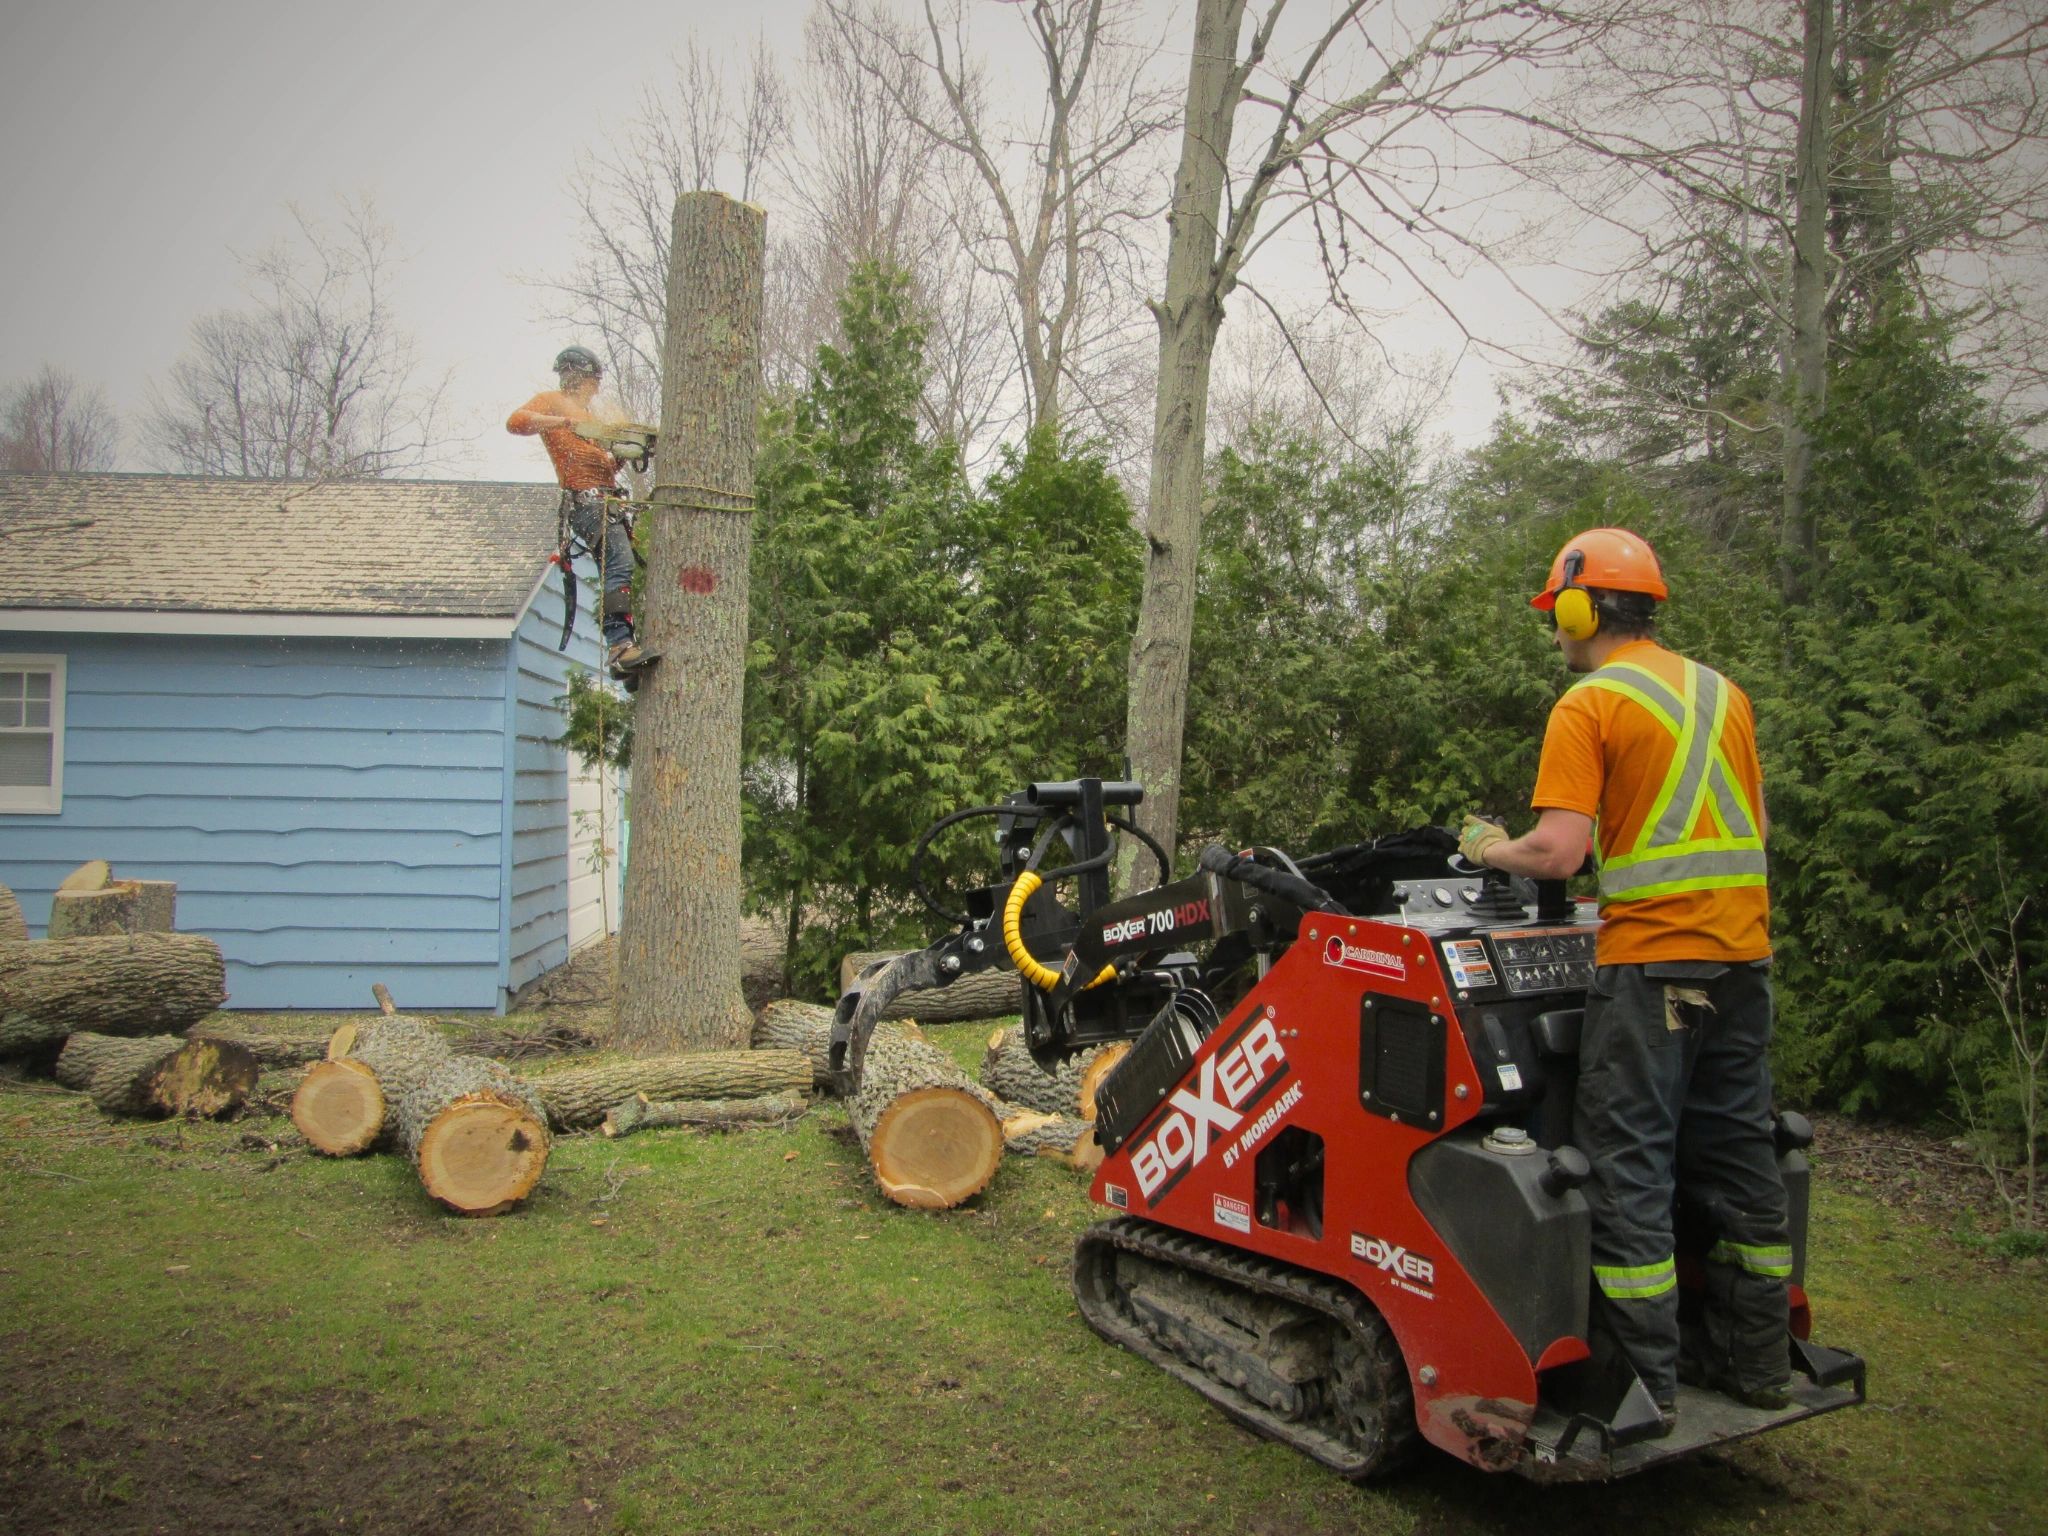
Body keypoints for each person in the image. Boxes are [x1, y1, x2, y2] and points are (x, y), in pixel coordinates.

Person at [1457, 527, 1791, 1433]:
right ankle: (1758, 1361)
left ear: (1579, 607)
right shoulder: (1726, 696)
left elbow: (1561, 851)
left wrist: (1487, 846)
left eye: (1554, 614)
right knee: (1737, 1154)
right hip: (1742, 962)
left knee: (1629, 1166)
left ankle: (1645, 1392)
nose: (1553, 632)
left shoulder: (1591, 702)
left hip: (1653, 970)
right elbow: (1741, 827)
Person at [506, 346, 646, 674]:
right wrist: (562, 422)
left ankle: (624, 659)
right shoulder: (553, 402)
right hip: (587, 501)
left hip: (607, 499)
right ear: (577, 376)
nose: (595, 389)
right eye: (592, 381)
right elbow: (516, 422)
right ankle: (620, 644)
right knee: (619, 561)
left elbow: (603, 465)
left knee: (619, 566)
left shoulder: (592, 421)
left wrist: (622, 454)